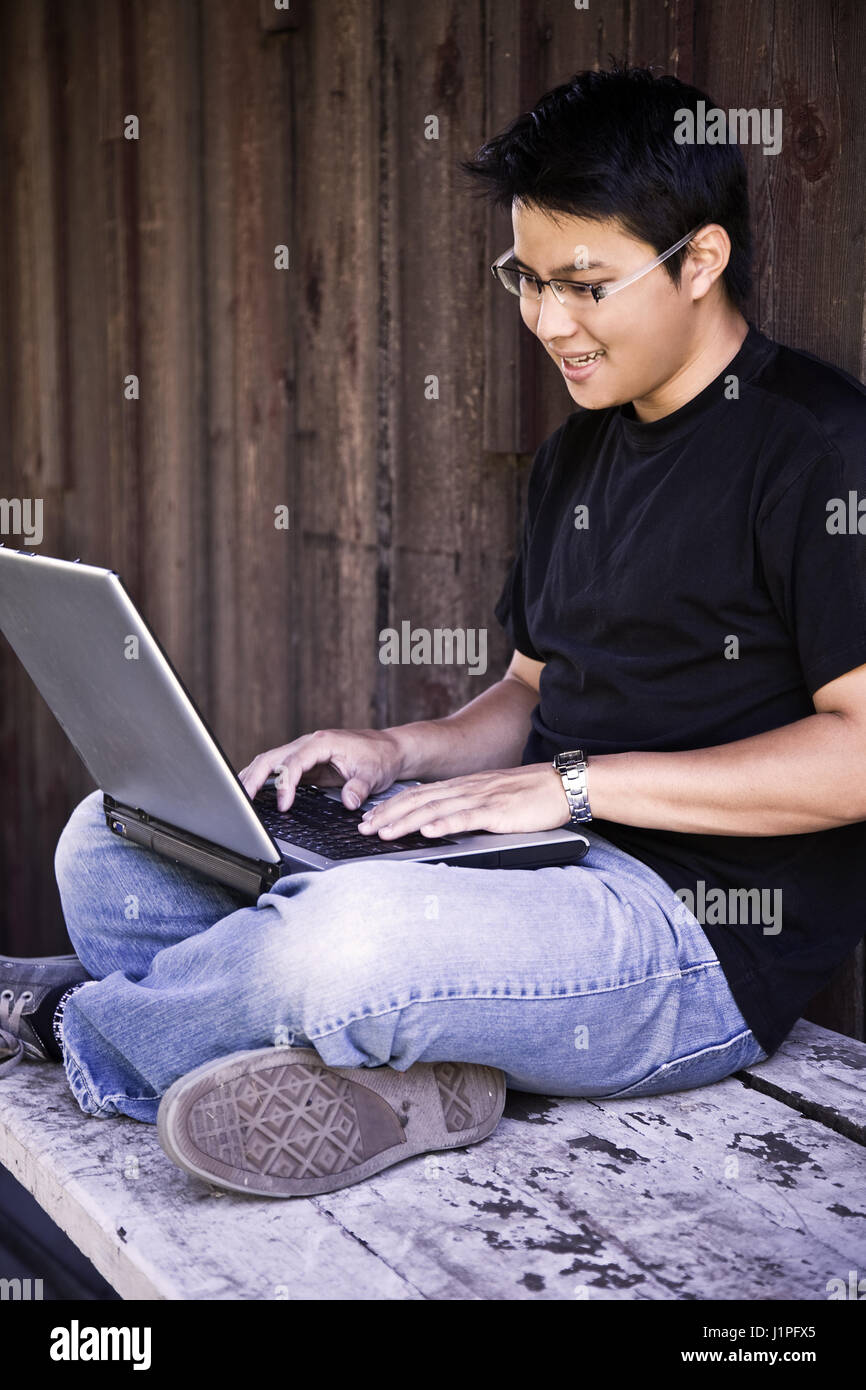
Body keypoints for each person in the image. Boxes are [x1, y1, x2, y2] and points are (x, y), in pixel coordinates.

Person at [3, 63, 865, 1200]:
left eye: (585, 283)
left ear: (698, 260)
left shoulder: (815, 446)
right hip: (521, 873)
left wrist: (570, 789)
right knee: (108, 846)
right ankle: (407, 1076)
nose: (547, 320)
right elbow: (523, 694)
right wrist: (396, 752)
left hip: (688, 940)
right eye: (526, 278)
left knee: (339, 941)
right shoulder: (577, 454)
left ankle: (82, 1026)